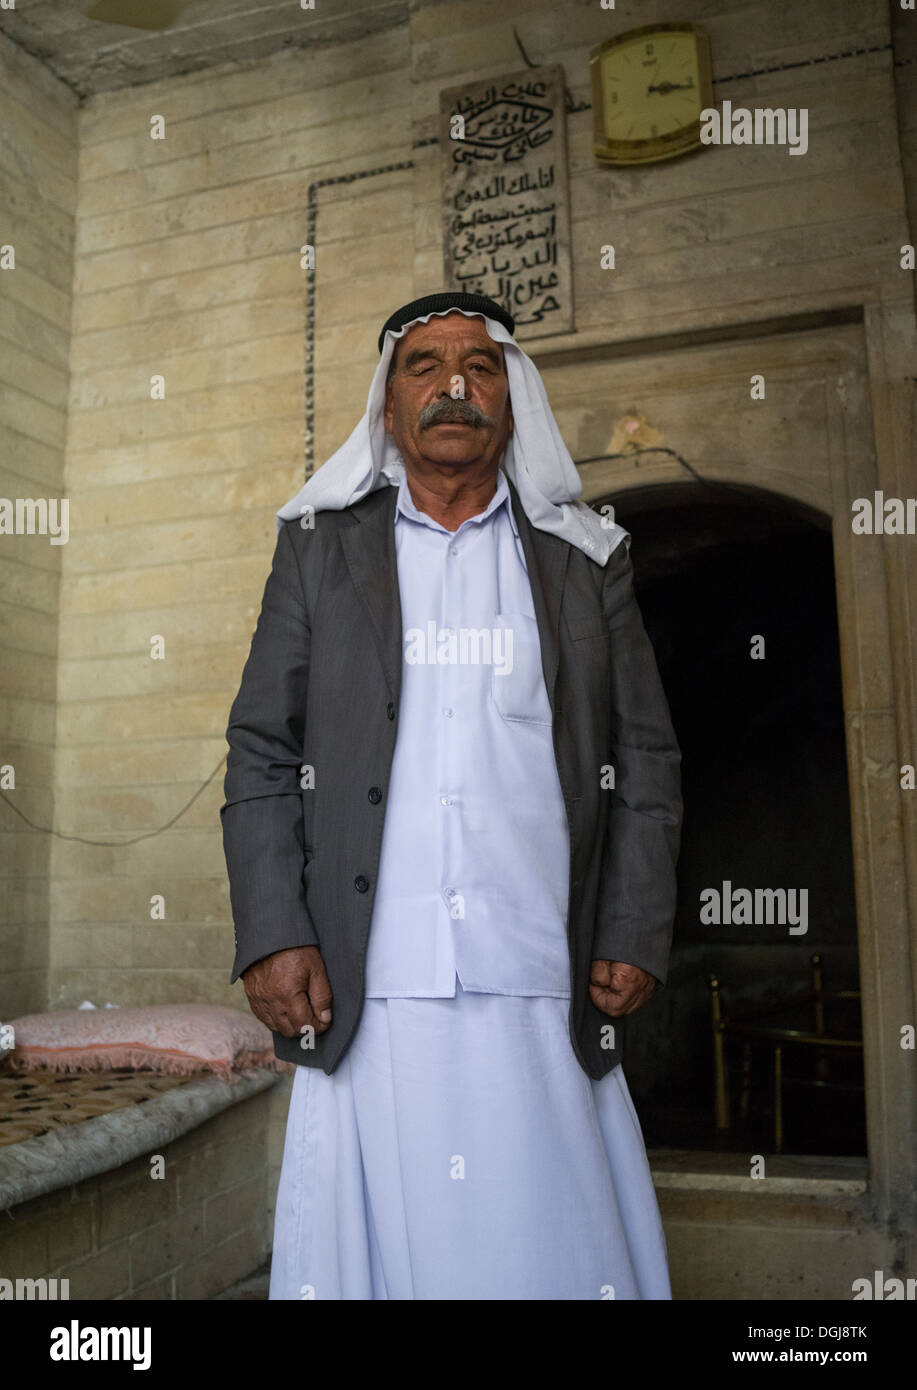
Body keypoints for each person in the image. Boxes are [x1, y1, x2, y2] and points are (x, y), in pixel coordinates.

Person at [220, 290, 683, 1300]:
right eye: (423, 367)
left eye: (478, 367)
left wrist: (634, 925)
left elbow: (643, 757)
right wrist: (271, 930)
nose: (452, 389)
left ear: (510, 398)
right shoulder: (319, 549)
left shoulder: (583, 561)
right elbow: (261, 745)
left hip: (540, 973)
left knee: (548, 1248)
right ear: (387, 407)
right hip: (367, 973)